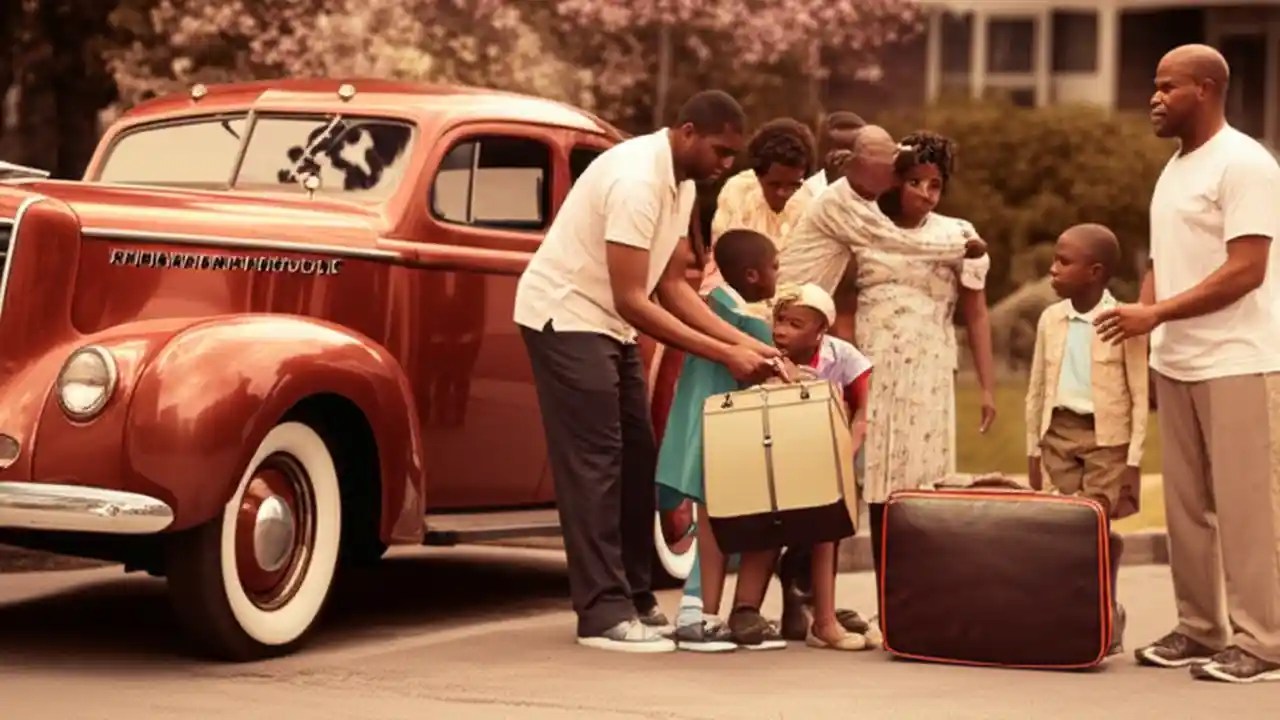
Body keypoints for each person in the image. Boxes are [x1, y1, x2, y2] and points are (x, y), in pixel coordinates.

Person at [514, 90, 783, 654]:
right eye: (721, 150)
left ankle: (635, 598)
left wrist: (750, 345)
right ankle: (601, 613)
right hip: (565, 316)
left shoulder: (681, 185)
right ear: (687, 131)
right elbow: (635, 299)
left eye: (734, 155)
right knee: (595, 465)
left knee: (639, 458)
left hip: (606, 323)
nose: (726, 165)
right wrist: (723, 354)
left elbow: (672, 287)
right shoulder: (638, 180)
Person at [1095, 44, 1280, 684]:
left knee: (1251, 508)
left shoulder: (1246, 164)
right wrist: (1140, 325)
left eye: (1165, 86)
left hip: (1239, 358)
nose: (1153, 97)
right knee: (1187, 508)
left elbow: (1247, 270)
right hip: (1179, 361)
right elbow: (1161, 262)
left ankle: (1266, 642)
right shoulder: (1175, 169)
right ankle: (1201, 628)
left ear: (1205, 89)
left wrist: (1159, 314)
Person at [658, 229, 788, 653]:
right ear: (752, 274)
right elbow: (759, 365)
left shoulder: (721, 306)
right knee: (718, 520)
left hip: (717, 431)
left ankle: (708, 614)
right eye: (774, 267)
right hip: (726, 435)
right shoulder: (736, 314)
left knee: (718, 519)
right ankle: (700, 615)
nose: (778, 274)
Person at [1025, 222, 1147, 657]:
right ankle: (1066, 613)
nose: (1053, 269)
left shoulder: (1124, 322)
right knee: (1061, 527)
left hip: (1106, 439)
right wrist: (1032, 449)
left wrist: (1133, 459)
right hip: (1057, 433)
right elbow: (1037, 386)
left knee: (1096, 527)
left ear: (1094, 272)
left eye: (1063, 262)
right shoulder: (1050, 320)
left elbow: (1138, 392)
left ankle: (1105, 611)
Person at [770, 283, 873, 651]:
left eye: (795, 324)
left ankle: (822, 616)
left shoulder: (842, 356)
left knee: (827, 528)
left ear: (820, 331)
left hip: (828, 452)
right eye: (780, 319)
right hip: (778, 453)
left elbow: (864, 408)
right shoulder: (767, 353)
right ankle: (770, 607)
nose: (782, 330)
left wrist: (849, 449)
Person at [701, 117, 817, 299]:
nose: (783, 193)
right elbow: (727, 259)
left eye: (793, 185)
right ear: (758, 175)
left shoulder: (813, 202)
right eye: (774, 184)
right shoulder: (739, 190)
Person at [792, 111, 867, 209]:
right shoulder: (802, 192)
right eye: (837, 146)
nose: (843, 155)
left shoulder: (881, 191)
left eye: (852, 147)